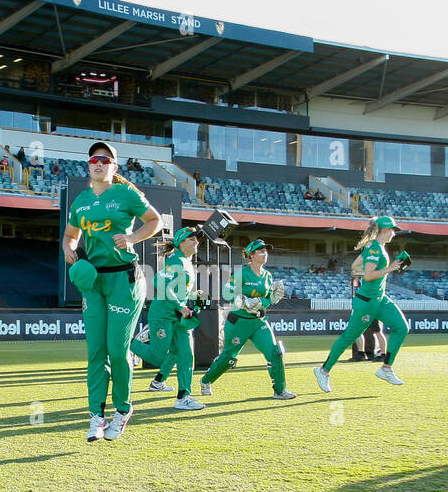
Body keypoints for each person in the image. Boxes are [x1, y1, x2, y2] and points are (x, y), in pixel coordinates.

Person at [62, 141, 162, 442]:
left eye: (106, 160)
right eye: (94, 159)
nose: (99, 163)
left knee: (117, 350)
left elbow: (154, 221)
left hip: (124, 280)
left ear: (114, 167)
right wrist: (69, 249)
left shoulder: (126, 194)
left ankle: (122, 410)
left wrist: (131, 237)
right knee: (96, 352)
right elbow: (70, 236)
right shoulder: (80, 201)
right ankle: (96, 415)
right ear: (88, 165)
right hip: (93, 282)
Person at [315, 216, 411, 391]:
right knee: (349, 337)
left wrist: (390, 267)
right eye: (392, 230)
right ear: (384, 229)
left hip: (379, 299)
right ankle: (323, 370)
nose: (394, 234)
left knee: (402, 327)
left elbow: (357, 265)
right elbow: (368, 275)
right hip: (366, 302)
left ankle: (386, 368)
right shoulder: (375, 248)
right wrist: (391, 268)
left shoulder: (378, 247)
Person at [198, 239, 296, 400]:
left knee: (275, 353)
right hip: (238, 323)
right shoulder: (242, 273)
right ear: (251, 255)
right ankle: (205, 381)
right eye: (261, 251)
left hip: (258, 323)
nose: (265, 254)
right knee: (228, 359)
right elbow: (227, 293)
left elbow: (268, 299)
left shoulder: (267, 275)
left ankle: (280, 390)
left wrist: (265, 301)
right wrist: (244, 302)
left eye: (266, 251)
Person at [131, 227, 205, 410]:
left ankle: (183, 398)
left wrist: (194, 296)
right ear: (181, 243)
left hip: (178, 317)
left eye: (197, 239)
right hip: (163, 314)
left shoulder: (186, 262)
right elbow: (159, 283)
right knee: (157, 358)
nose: (196, 241)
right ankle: (129, 343)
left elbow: (178, 289)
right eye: (192, 239)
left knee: (186, 355)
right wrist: (180, 306)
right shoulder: (176, 260)